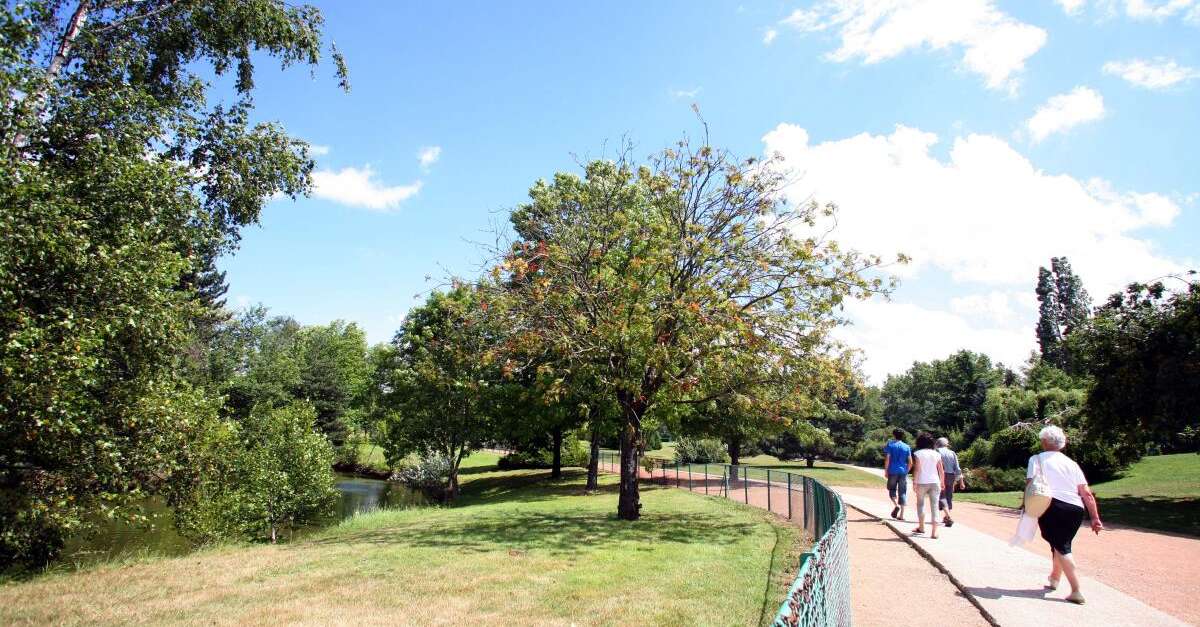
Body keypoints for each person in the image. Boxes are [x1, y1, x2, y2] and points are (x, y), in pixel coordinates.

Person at [1026, 425, 1103, 605]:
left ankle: (1076, 590)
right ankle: (1054, 578)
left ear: (1044, 442)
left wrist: (1026, 506)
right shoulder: (1071, 463)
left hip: (1051, 506)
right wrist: (1095, 517)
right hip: (1075, 509)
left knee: (1061, 546)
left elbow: (1030, 484)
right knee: (1060, 544)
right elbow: (1086, 492)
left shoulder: (1036, 459)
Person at [911, 432, 945, 538]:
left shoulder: (918, 453)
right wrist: (942, 482)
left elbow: (917, 469)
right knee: (934, 506)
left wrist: (914, 482)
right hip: (935, 482)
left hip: (921, 482)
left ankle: (921, 527)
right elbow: (941, 471)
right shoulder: (937, 454)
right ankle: (934, 532)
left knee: (920, 504)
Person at [882, 429, 912, 520]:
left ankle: (896, 505)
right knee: (902, 492)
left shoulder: (890, 445)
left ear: (893, 435)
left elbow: (887, 458)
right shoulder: (907, 447)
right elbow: (910, 462)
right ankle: (902, 515)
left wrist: (886, 470)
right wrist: (906, 471)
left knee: (892, 489)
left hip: (892, 471)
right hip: (903, 471)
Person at [935, 437, 965, 527]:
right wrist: (961, 481)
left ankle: (948, 516)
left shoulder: (936, 451)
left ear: (938, 444)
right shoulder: (952, 453)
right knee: (949, 496)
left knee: (941, 496)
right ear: (946, 444)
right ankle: (946, 517)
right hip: (951, 476)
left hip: (941, 475)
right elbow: (958, 468)